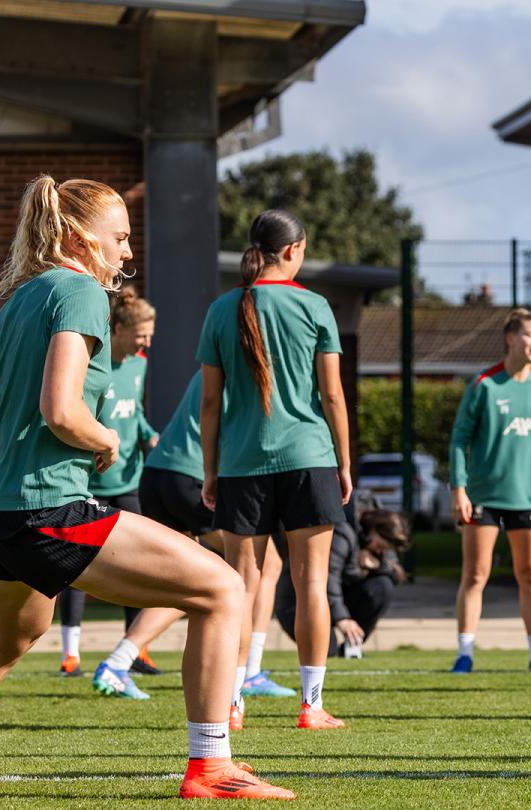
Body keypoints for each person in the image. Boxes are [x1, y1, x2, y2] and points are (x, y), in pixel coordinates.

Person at [0, 175, 290, 799]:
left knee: (13, 634)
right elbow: (61, 410)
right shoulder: (81, 292)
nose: (127, 253)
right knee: (222, 588)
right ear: (82, 239)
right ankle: (212, 766)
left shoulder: (20, 301)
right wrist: (106, 440)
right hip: (45, 505)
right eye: (120, 238)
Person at [199, 209, 352, 732]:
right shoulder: (314, 305)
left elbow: (210, 405)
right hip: (310, 458)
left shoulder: (221, 308)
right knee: (312, 585)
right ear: (292, 251)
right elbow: (332, 394)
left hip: (241, 463)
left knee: (241, 588)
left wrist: (210, 471)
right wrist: (345, 463)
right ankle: (311, 707)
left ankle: (231, 704)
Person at [91, 370, 296, 701]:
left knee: (185, 581)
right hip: (191, 480)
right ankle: (251, 673)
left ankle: (118, 662)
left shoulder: (215, 356)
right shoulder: (253, 366)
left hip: (158, 474)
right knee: (263, 563)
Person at [448, 309, 531, 674]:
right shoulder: (484, 384)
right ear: (511, 338)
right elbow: (459, 440)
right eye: (530, 335)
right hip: (483, 497)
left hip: (529, 498)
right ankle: (465, 654)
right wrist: (460, 489)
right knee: (475, 575)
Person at [57, 285, 160, 684]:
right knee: (76, 567)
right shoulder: (91, 362)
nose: (146, 341)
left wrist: (149, 434)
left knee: (139, 566)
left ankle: (136, 649)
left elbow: (134, 413)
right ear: (118, 329)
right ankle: (70, 654)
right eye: (141, 334)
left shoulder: (140, 363)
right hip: (92, 481)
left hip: (129, 480)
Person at [276, 508, 411, 656]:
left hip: (334, 599)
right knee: (326, 651)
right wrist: (342, 618)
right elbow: (328, 578)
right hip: (298, 601)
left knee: (382, 586)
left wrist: (377, 566)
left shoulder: (377, 543)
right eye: (379, 547)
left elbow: (395, 575)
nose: (380, 552)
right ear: (373, 531)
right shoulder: (341, 534)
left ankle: (351, 645)